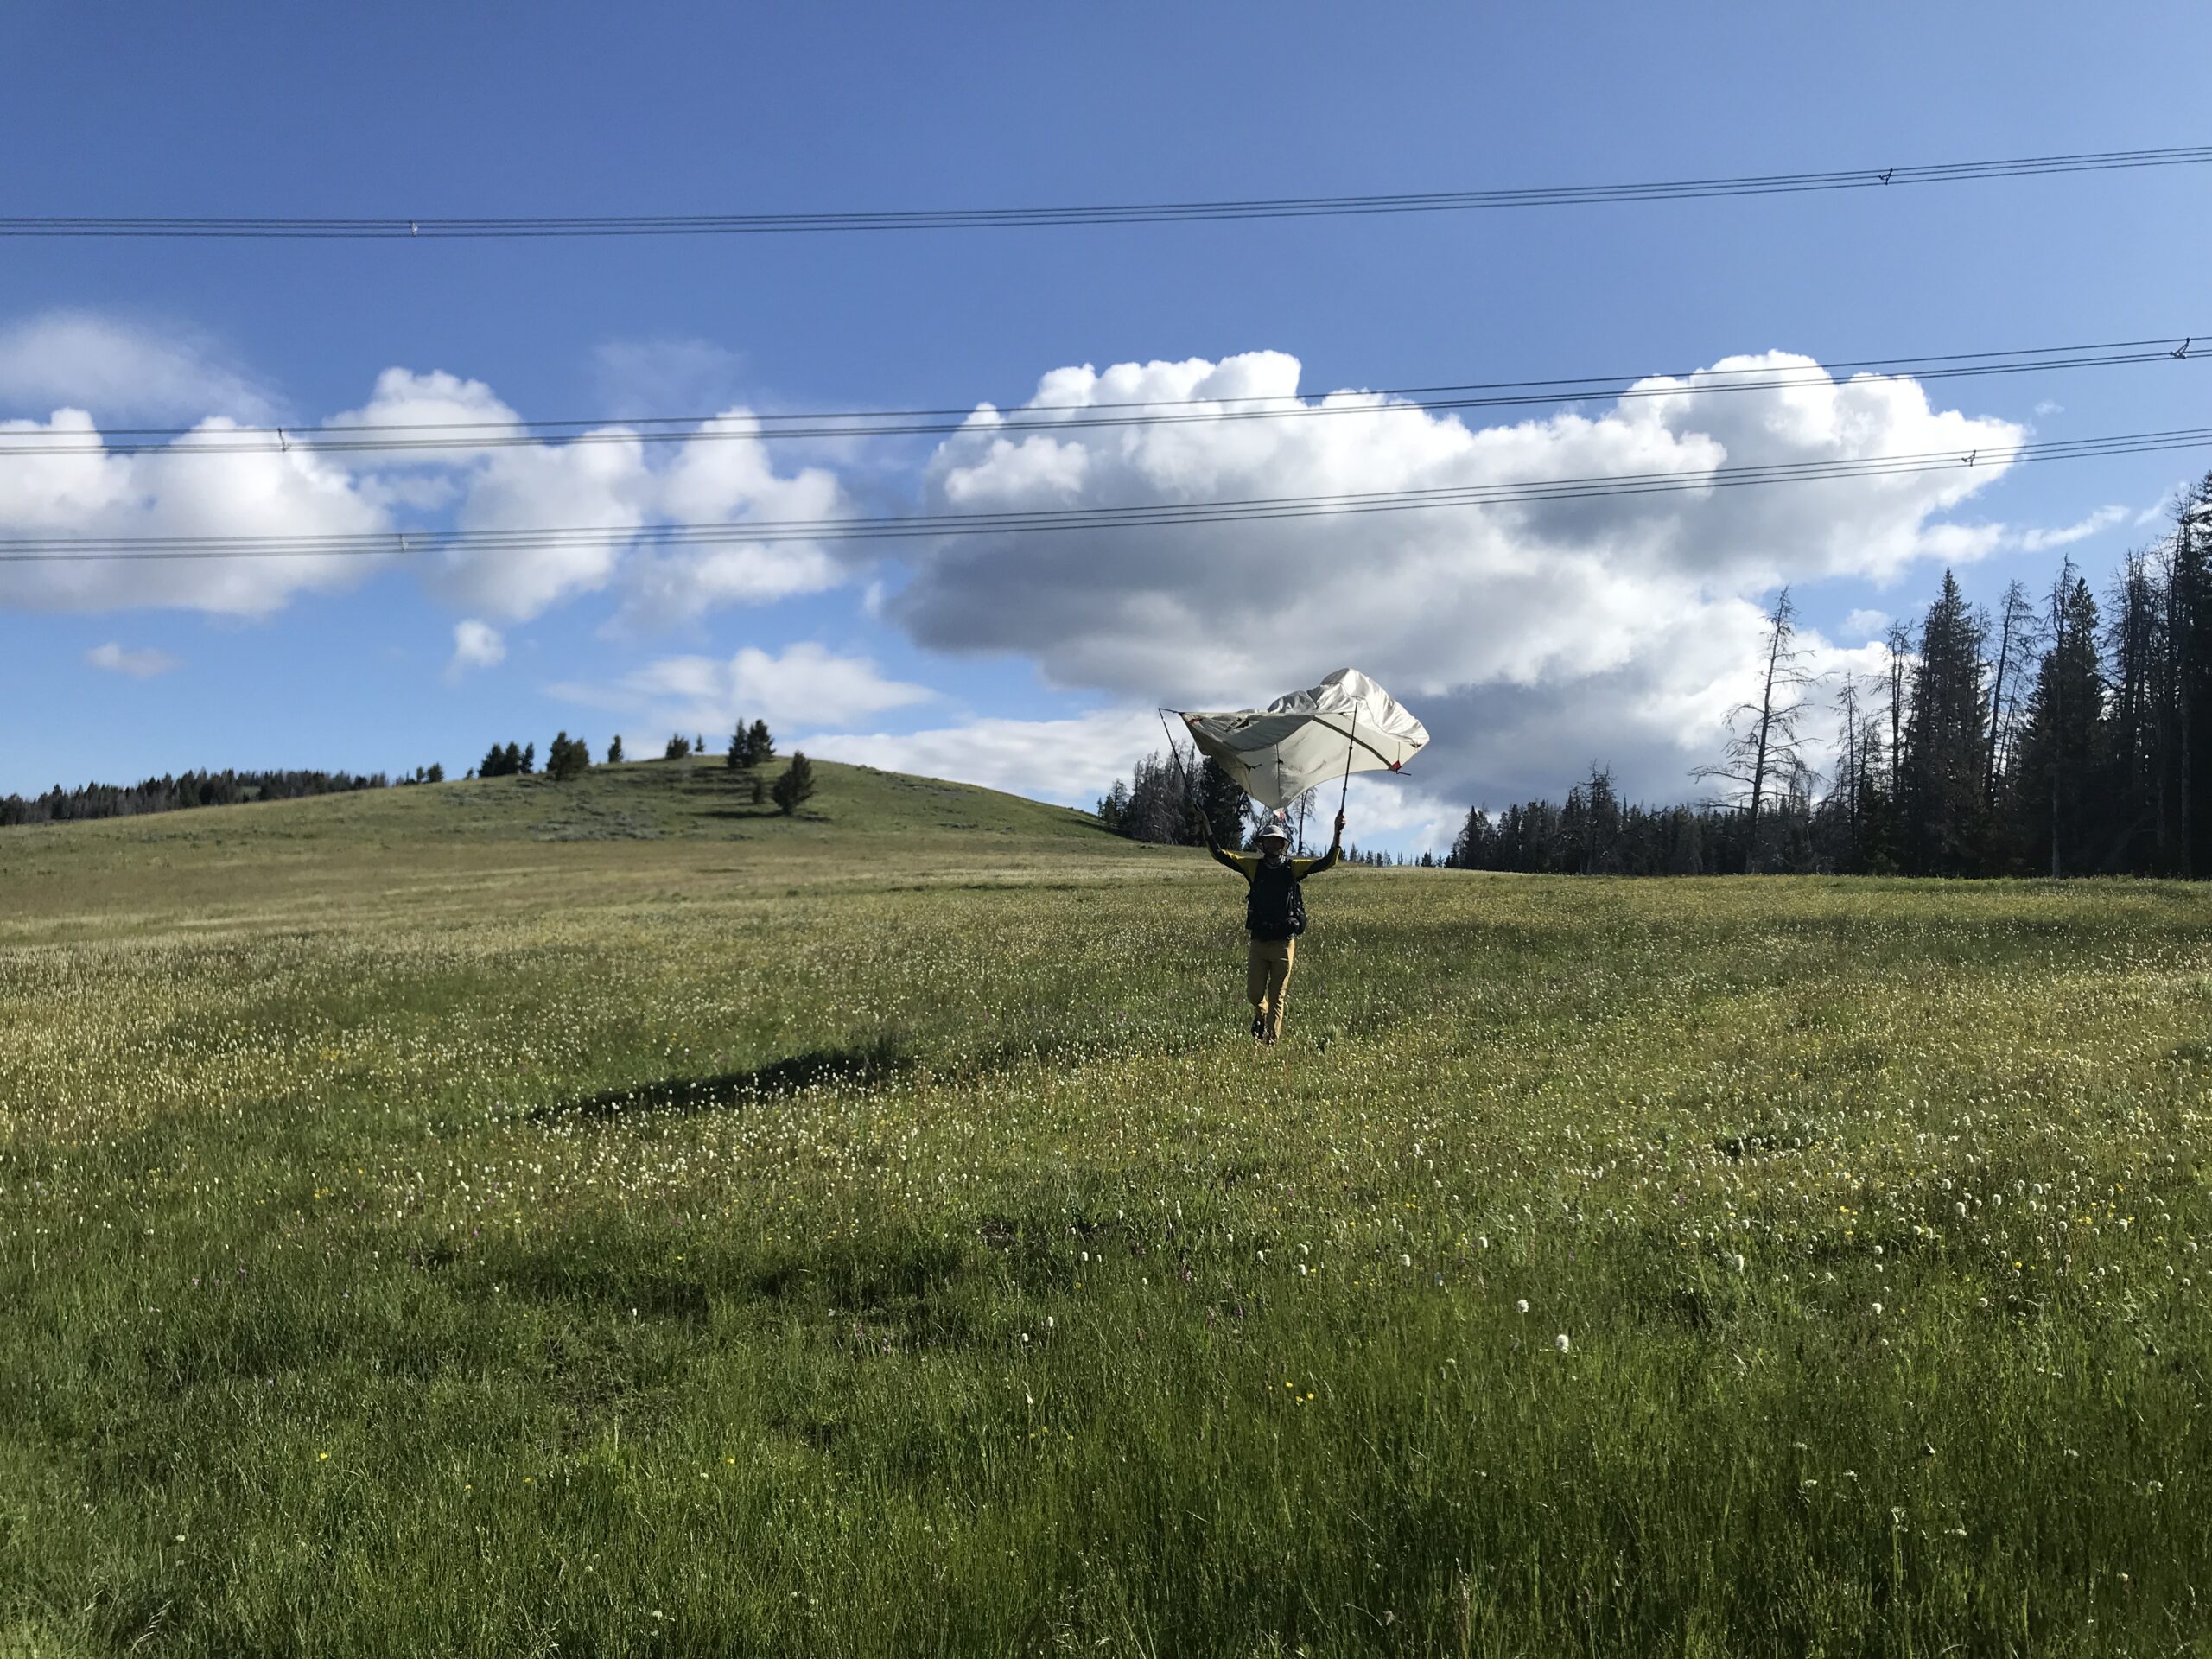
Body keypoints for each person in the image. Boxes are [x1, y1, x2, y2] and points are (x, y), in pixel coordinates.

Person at [1203, 806, 1344, 1043]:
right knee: (1254, 994)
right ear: (1262, 845)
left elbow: (1327, 862)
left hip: (1283, 944)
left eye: (1277, 842)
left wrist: (1336, 831)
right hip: (1259, 942)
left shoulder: (1292, 868)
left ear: (1283, 846)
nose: (1273, 846)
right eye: (1269, 842)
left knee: (1277, 995)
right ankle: (1261, 1012)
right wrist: (1206, 824)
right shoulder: (1253, 867)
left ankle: (1270, 1041)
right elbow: (1220, 855)